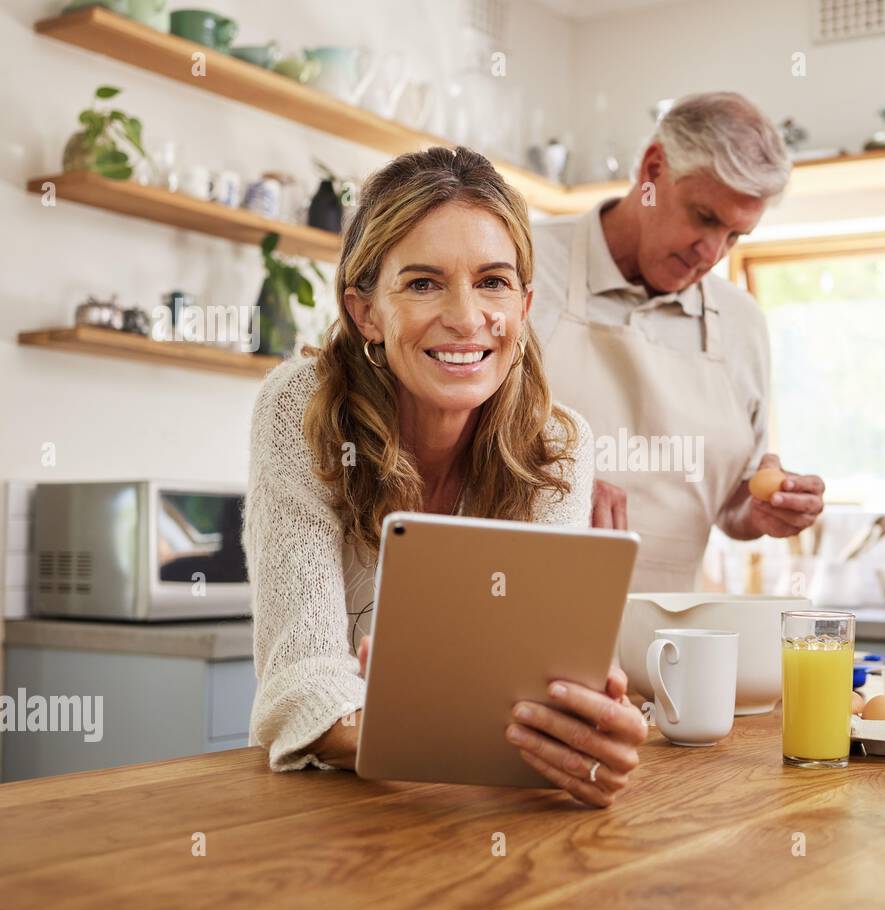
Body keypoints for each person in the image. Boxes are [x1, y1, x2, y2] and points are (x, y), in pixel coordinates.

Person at [241, 146, 646, 809]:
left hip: (483, 812)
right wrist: (424, 723)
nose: (466, 317)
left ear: (524, 305)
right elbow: (301, 674)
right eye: (423, 283)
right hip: (336, 813)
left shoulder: (559, 443)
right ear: (366, 312)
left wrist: (586, 726)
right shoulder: (301, 409)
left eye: (493, 281)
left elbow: (540, 683)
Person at [530, 91, 827, 593]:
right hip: (527, 609)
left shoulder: (741, 323)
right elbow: (442, 442)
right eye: (704, 217)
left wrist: (763, 511)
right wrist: (557, 486)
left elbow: (731, 504)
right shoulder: (521, 266)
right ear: (652, 170)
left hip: (669, 639)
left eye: (735, 236)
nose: (711, 253)